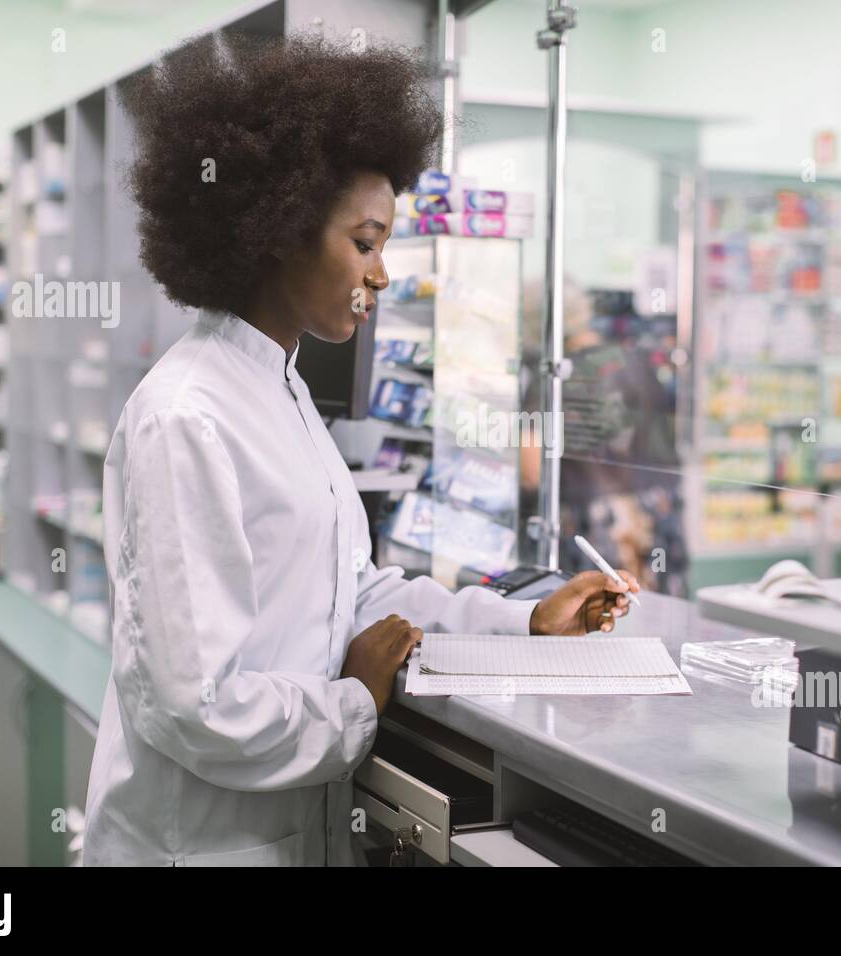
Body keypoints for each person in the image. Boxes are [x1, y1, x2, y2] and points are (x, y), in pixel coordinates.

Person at [82, 31, 640, 866]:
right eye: (366, 242)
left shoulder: (282, 390)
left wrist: (525, 618)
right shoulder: (189, 416)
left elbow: (351, 588)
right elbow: (196, 703)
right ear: (277, 231)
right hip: (193, 844)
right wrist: (353, 702)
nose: (382, 273)